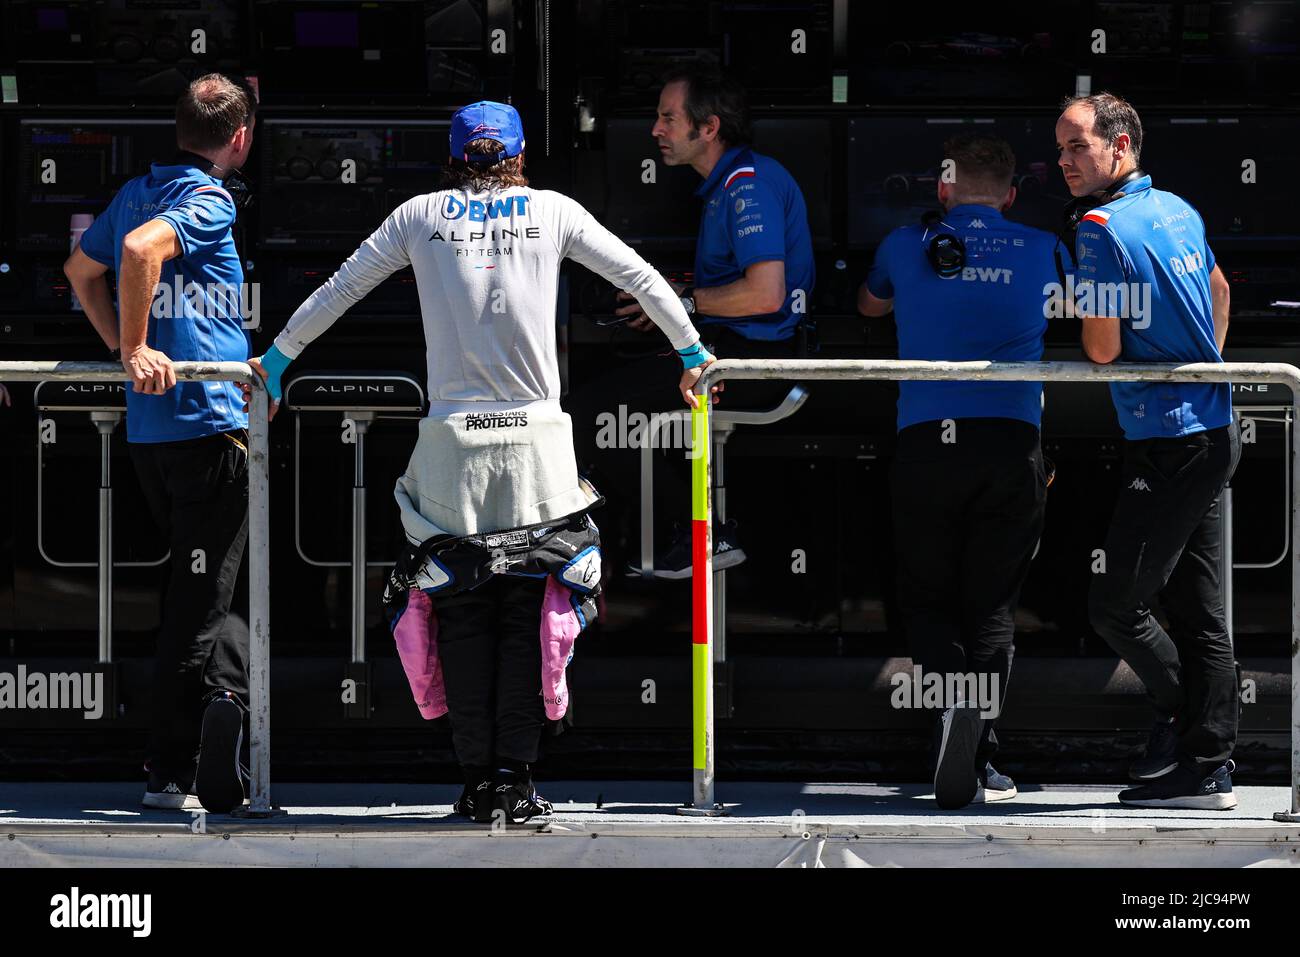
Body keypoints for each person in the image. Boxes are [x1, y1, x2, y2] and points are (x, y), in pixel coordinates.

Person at [241, 101, 715, 824]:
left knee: (460, 612)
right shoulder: (553, 211)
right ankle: (516, 780)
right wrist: (692, 356)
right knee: (529, 612)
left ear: (455, 155)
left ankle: (472, 784)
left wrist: (274, 362)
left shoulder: (419, 214)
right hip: (537, 451)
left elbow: (338, 288)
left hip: (451, 452)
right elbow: (645, 278)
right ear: (521, 153)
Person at [62, 73, 258, 814]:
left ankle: (226, 705)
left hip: (154, 435)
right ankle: (170, 767)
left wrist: (121, 346)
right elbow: (140, 253)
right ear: (238, 139)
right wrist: (137, 347)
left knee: (216, 584)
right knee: (200, 598)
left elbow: (81, 269)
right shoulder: (204, 200)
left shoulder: (138, 189)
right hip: (206, 427)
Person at [859, 133, 1060, 810]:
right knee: (992, 605)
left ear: (943, 188)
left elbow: (869, 306)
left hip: (926, 442)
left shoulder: (902, 244)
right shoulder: (1044, 248)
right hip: (1012, 441)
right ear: (1010, 194)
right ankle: (982, 754)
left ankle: (953, 715)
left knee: (926, 597)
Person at [1057, 92, 1240, 810]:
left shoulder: (1098, 227)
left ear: (1121, 147)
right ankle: (1209, 766)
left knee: (1115, 605)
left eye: (1078, 146)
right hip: (1213, 429)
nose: (1064, 161)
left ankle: (1188, 724)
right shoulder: (1179, 208)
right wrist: (1199, 364)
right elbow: (1221, 290)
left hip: (1167, 439)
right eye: (1061, 148)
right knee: (1201, 613)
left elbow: (1101, 349)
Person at [566, 66, 815, 578]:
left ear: (709, 128)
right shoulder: (726, 185)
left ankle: (700, 534)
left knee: (588, 413)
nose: (656, 130)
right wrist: (669, 304)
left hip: (754, 365)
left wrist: (680, 303)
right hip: (733, 351)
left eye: (668, 118)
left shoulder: (748, 186)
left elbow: (764, 294)